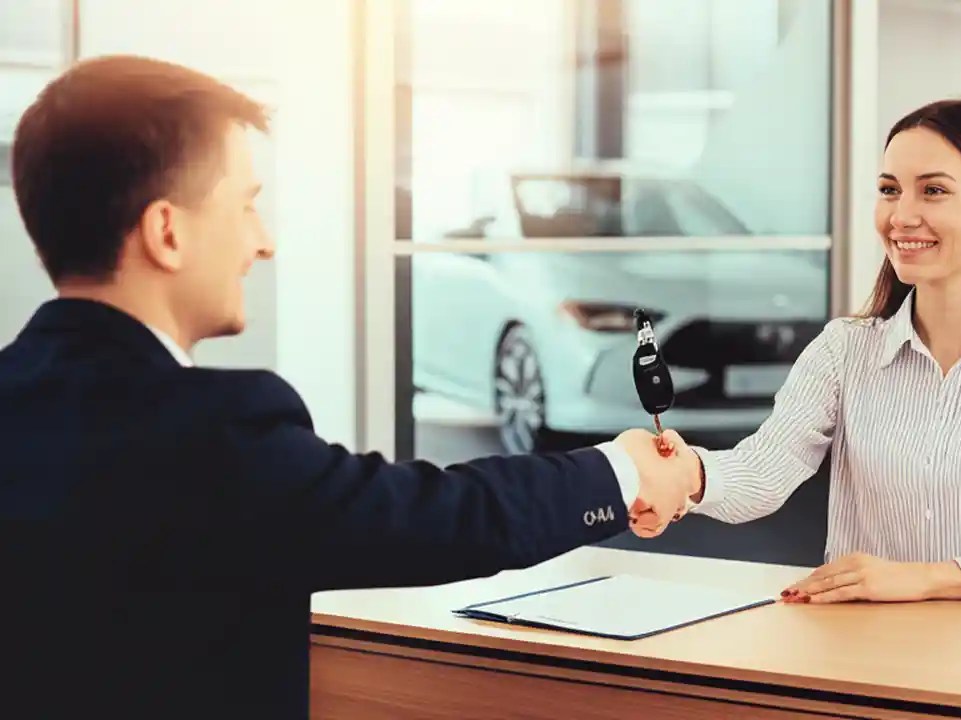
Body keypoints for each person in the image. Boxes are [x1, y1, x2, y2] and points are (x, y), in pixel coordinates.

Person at [0, 55, 702, 717]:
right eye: (246, 206)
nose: (264, 241)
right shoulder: (216, 433)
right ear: (166, 232)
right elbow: (440, 518)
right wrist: (619, 473)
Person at [642, 99, 961, 606]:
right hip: (866, 649)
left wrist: (928, 579)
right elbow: (766, 469)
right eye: (889, 190)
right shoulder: (844, 349)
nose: (901, 216)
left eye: (933, 191)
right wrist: (691, 475)